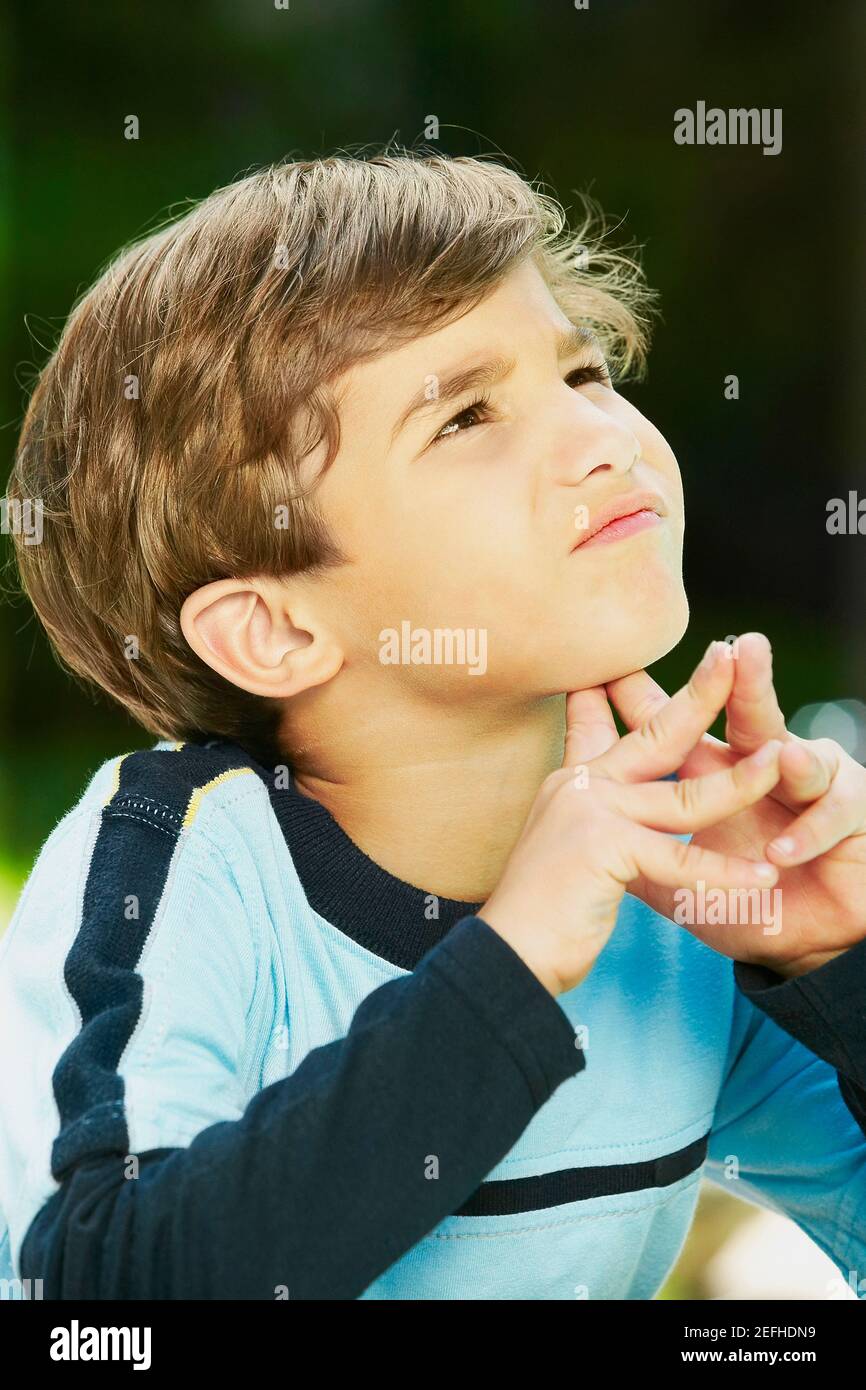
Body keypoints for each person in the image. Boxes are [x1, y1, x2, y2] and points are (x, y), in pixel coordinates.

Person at [2, 149, 865, 1300]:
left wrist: (832, 964)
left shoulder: (678, 908)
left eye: (582, 371)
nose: (601, 437)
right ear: (274, 628)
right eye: (465, 416)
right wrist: (511, 961)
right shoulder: (181, 865)